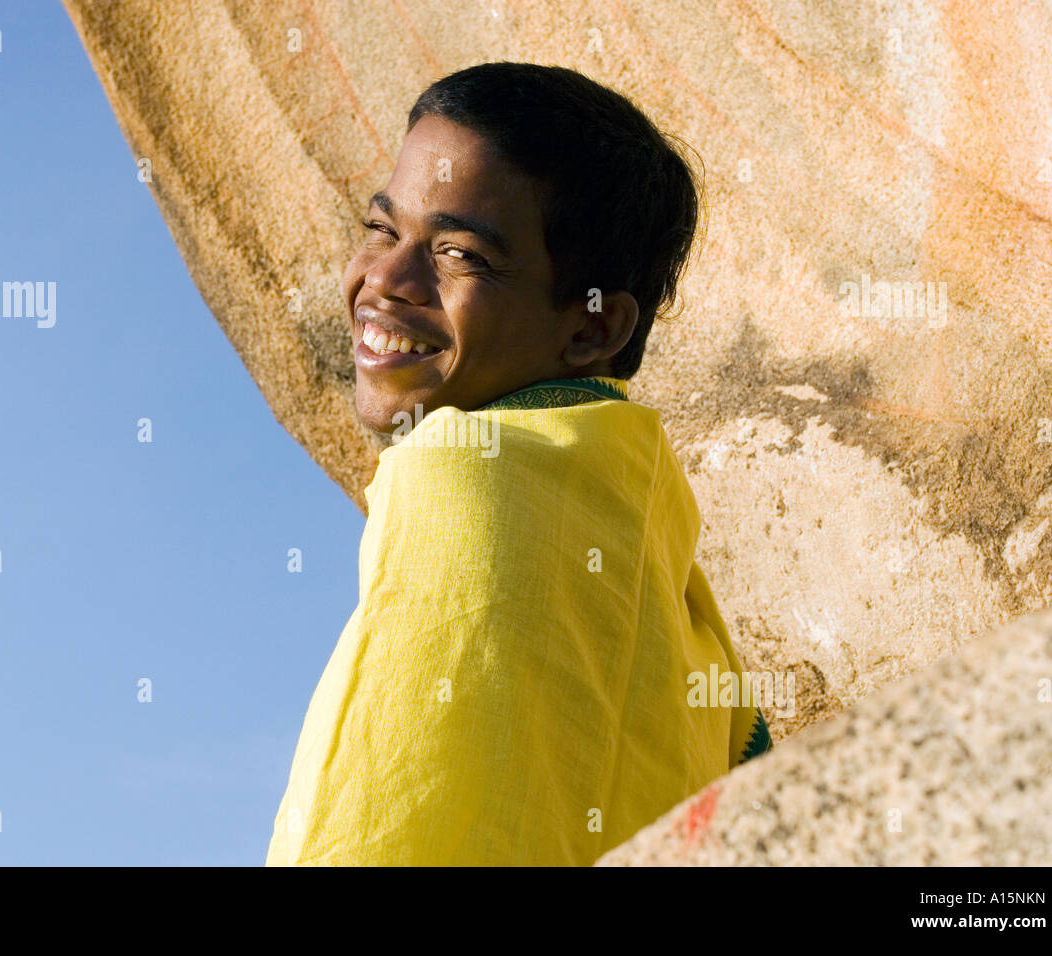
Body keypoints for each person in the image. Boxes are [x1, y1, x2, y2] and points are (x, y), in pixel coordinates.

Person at [266, 61, 772, 866]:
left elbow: (378, 824)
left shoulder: (459, 477)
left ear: (591, 331)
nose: (386, 282)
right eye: (381, 229)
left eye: (459, 254)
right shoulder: (673, 595)